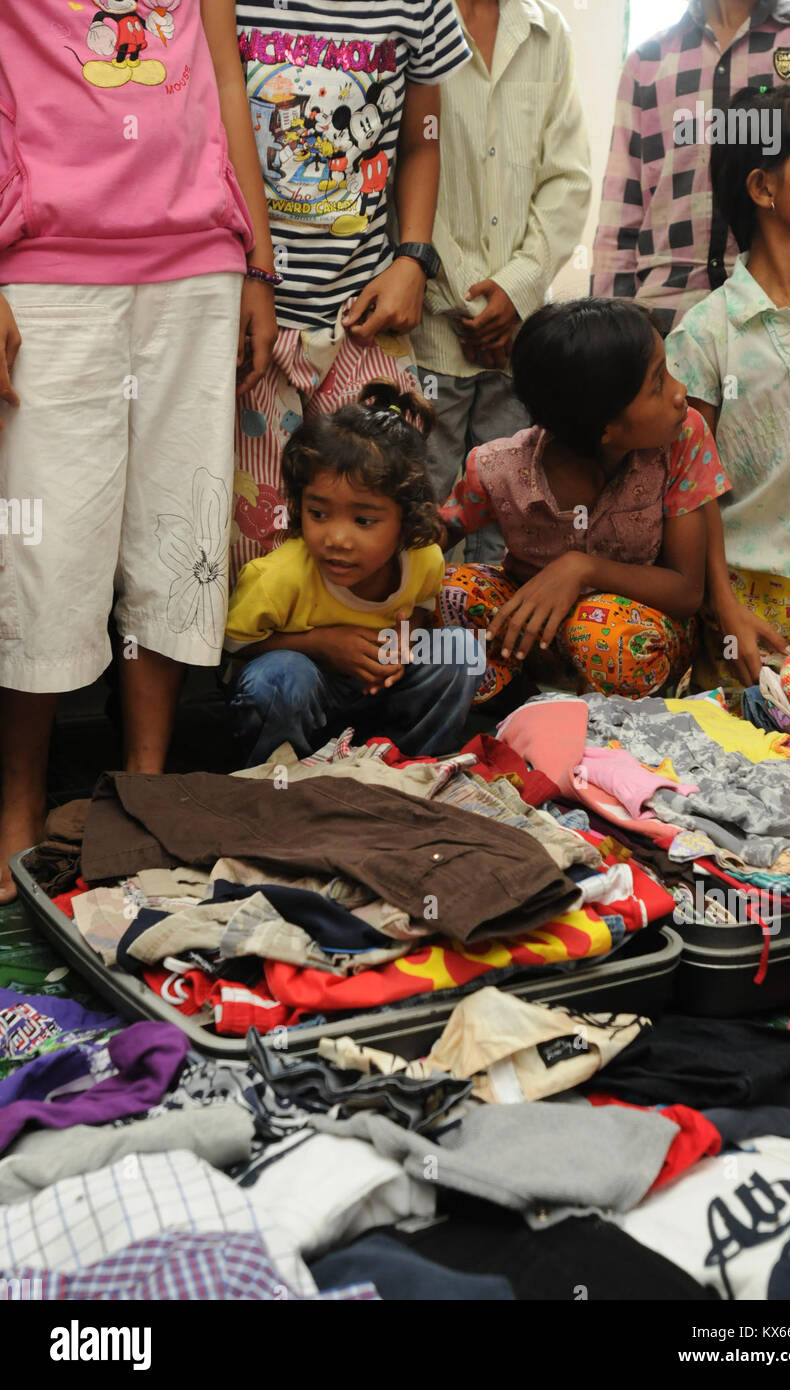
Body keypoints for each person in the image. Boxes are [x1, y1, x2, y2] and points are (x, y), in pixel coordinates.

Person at [0, 0, 277, 901]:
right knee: (48, 549)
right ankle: (19, 802)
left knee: (175, 531)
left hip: (195, 265)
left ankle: (146, 791)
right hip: (49, 265)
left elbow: (228, 80)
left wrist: (257, 262)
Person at [231, 0, 472, 582]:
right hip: (251, 319)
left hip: (363, 320)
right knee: (255, 539)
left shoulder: (420, 6)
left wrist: (414, 257)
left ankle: (374, 665)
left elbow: (422, 141)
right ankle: (272, 669)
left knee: (381, 516)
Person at [666, 84, 790, 692]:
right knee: (767, 765)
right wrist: (725, 609)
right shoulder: (707, 332)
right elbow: (689, 489)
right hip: (753, 614)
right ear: (763, 187)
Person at [437, 298, 731, 703]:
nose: (680, 392)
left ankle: (601, 719)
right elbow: (430, 539)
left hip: (631, 630)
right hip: (536, 639)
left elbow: (685, 591)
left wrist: (581, 568)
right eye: (658, 383)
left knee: (607, 637)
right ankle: (516, 701)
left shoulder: (680, 439)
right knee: (450, 591)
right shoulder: (498, 468)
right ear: (606, 429)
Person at [411, 0, 591, 564]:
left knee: (512, 520)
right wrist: (472, 295)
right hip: (433, 333)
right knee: (424, 514)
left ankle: (494, 649)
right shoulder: (414, 17)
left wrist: (516, 288)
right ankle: (420, 647)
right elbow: (405, 164)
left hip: (517, 342)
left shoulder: (547, 31)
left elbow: (569, 178)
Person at [225, 382, 484, 766]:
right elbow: (234, 650)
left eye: (363, 520)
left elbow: (419, 611)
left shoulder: (424, 559)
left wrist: (400, 642)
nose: (337, 539)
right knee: (280, 676)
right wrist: (324, 645)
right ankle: (279, 781)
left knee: (461, 650)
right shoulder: (278, 576)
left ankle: (407, 768)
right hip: (305, 709)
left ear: (405, 519)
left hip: (378, 703)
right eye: (318, 513)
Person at [592, 0, 790, 334]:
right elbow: (620, 212)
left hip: (778, 316)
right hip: (664, 317)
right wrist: (610, 336)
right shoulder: (646, 62)